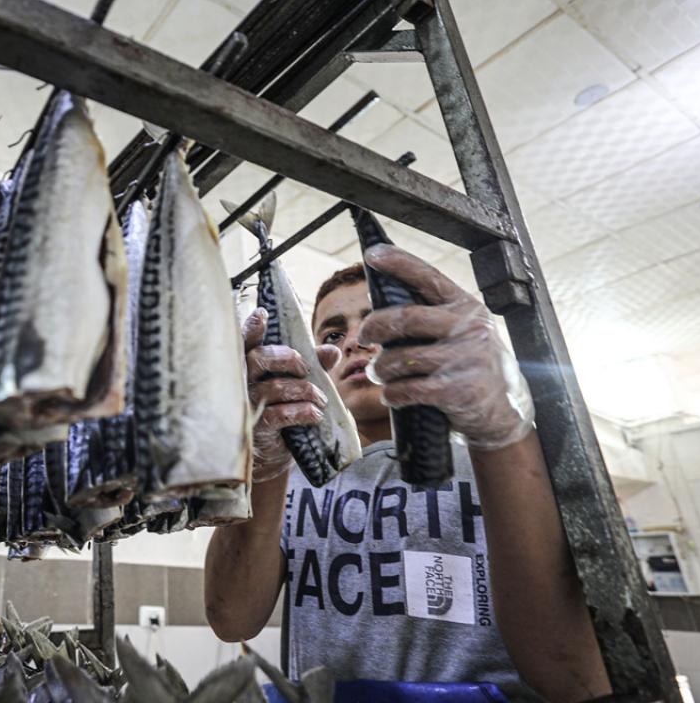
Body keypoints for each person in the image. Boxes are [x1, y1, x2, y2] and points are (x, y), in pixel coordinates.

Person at [203, 243, 611, 702]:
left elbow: (575, 675)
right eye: (333, 334)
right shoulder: (290, 480)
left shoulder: (498, 464)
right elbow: (231, 619)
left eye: (377, 322)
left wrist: (503, 431)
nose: (353, 342)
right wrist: (265, 465)